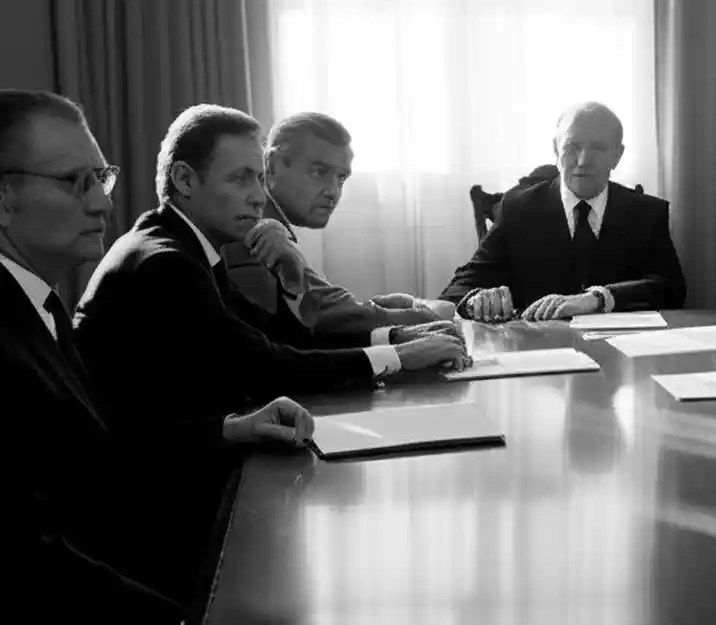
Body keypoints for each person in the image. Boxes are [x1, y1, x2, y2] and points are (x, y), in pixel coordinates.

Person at [0, 89, 313, 625]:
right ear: (2, 198)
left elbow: (109, 439)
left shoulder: (38, 304)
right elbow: (27, 558)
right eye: (74, 181)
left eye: (101, 176)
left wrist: (231, 429)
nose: (101, 201)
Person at [74, 104, 470, 441]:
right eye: (240, 178)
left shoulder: (186, 244)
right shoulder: (167, 262)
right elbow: (266, 367)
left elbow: (275, 336)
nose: (259, 196)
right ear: (184, 179)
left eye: (258, 178)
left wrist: (397, 338)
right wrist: (397, 356)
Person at [439, 101, 686, 322]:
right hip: (540, 352)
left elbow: (672, 289)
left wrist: (598, 298)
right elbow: (456, 289)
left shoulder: (646, 212)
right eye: (572, 146)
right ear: (556, 149)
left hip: (620, 354)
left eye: (598, 148)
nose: (582, 160)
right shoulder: (518, 208)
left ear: (617, 156)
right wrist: (476, 299)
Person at [224, 111, 456, 342]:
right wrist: (423, 312)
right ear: (272, 166)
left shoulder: (266, 221)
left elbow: (319, 303)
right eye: (319, 172)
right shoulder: (255, 226)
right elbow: (327, 318)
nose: (333, 191)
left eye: (341, 178)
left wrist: (393, 306)